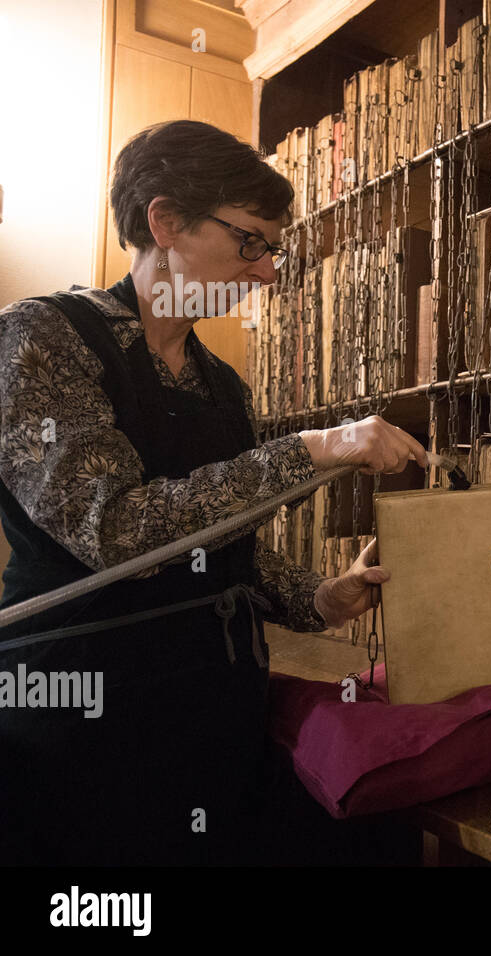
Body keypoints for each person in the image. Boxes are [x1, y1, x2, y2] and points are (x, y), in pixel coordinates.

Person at [0, 119, 426, 865]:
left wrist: (320, 597)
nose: (265, 271)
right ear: (164, 223)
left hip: (212, 716)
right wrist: (315, 449)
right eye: (249, 241)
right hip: (81, 723)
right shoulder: (41, 338)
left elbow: (220, 550)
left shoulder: (222, 385)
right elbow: (118, 531)